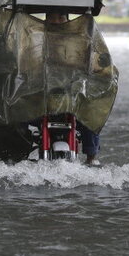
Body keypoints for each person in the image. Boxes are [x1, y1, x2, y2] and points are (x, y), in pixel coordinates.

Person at [45, 11, 102, 166]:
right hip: (40, 95)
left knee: (90, 112)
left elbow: (96, 64)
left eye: (61, 17)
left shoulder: (81, 42)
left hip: (73, 95)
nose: (56, 21)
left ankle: (92, 156)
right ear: (45, 20)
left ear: (68, 21)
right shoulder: (35, 40)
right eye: (52, 17)